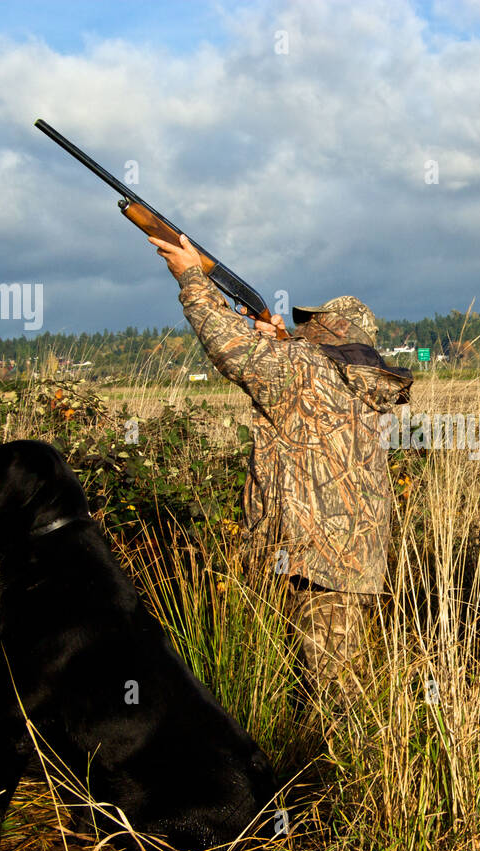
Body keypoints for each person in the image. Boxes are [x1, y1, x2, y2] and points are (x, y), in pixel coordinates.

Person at [150, 235, 413, 715]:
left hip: (318, 564)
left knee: (338, 701)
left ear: (324, 336)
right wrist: (274, 339)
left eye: (311, 328)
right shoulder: (354, 382)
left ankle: (343, 785)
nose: (303, 333)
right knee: (327, 687)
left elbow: (230, 349)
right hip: (346, 560)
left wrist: (192, 278)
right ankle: (316, 774)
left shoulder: (304, 371)